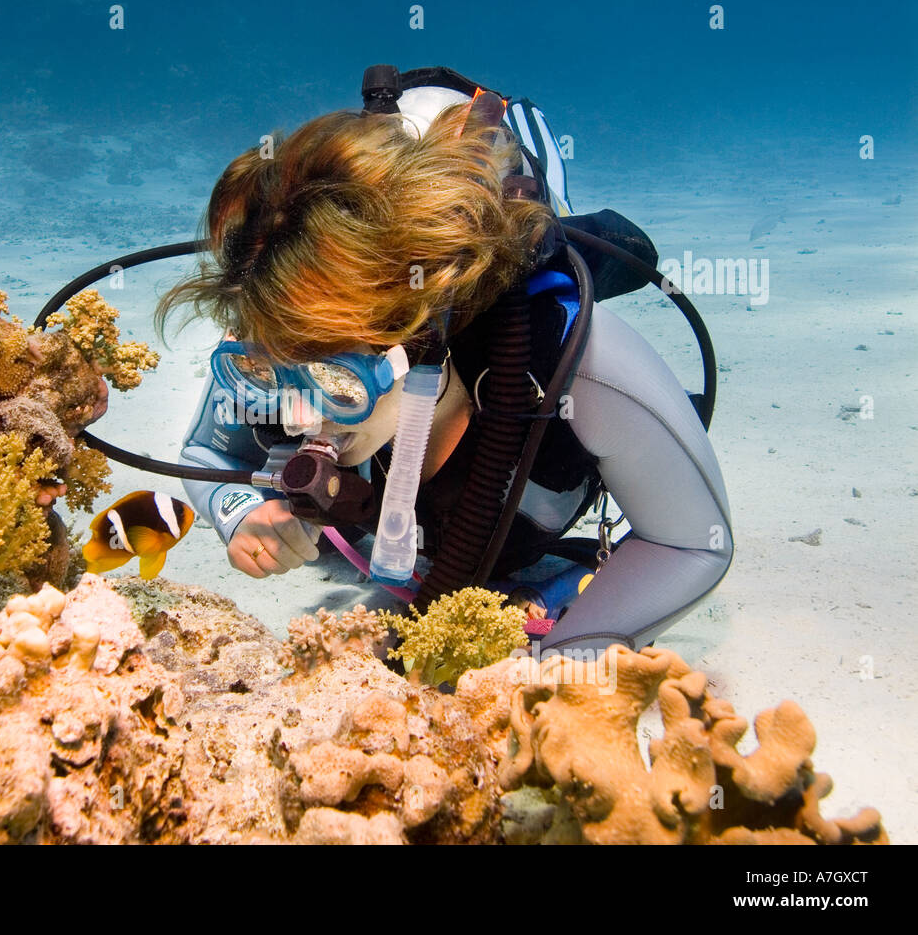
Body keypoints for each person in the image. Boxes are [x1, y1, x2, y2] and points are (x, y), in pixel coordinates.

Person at [156, 83, 732, 656]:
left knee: (533, 207)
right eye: (266, 372)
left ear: (424, 336)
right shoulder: (278, 341)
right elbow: (208, 455)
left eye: (339, 383)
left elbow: (691, 543)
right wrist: (242, 511)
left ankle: (507, 141)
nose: (298, 411)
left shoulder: (573, 363)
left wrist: (558, 665)